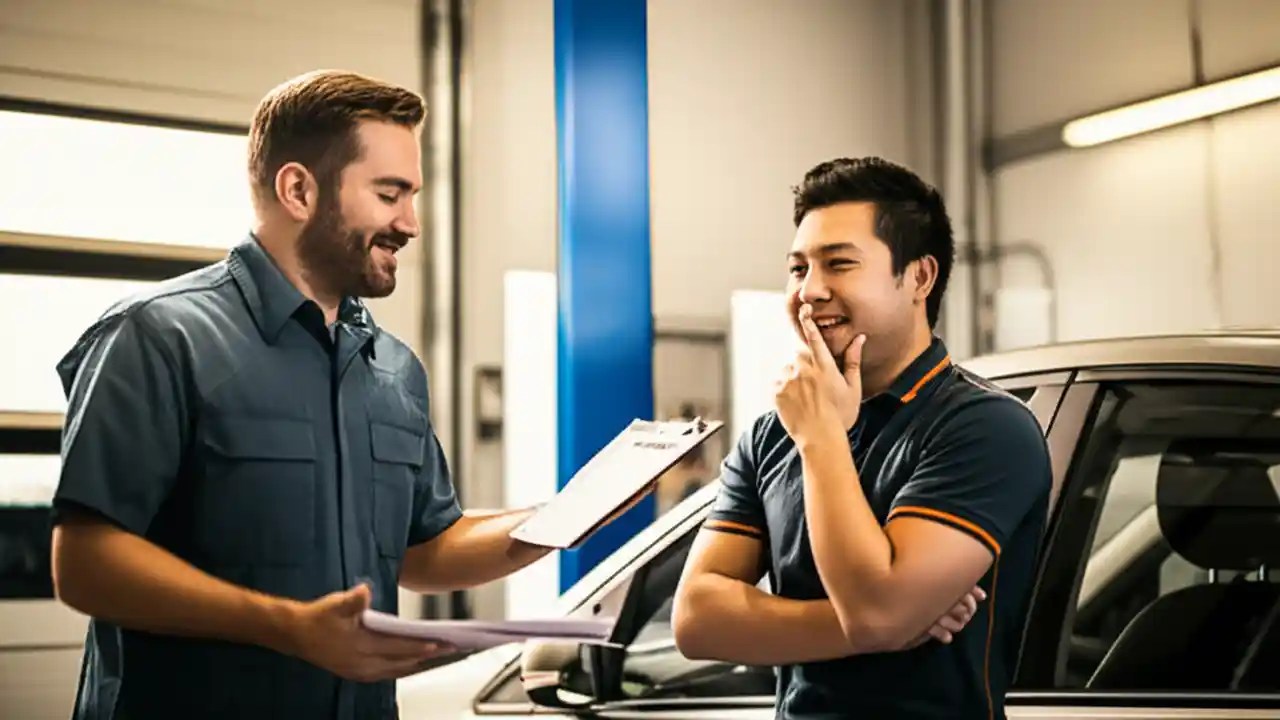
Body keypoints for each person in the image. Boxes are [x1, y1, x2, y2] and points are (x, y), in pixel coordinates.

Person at [48, 70, 626, 719]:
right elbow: (87, 562)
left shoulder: (392, 368)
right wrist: (287, 625)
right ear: (298, 189)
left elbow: (424, 552)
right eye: (389, 194)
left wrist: (569, 515)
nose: (410, 222)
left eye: (412, 196)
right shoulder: (158, 336)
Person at [671, 157, 1052, 719]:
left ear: (919, 277)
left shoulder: (985, 428)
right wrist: (873, 627)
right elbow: (697, 620)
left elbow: (875, 610)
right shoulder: (774, 435)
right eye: (799, 269)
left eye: (839, 264)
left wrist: (823, 438)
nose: (810, 291)